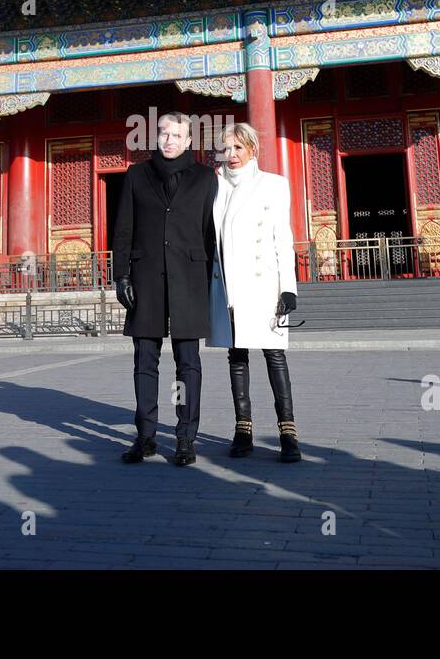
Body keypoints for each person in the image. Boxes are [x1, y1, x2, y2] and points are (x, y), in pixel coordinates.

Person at [112, 112, 218, 466]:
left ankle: (185, 437)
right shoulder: (136, 175)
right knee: (145, 361)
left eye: (177, 135)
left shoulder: (205, 178)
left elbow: (209, 233)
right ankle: (145, 436)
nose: (170, 140)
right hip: (146, 278)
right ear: (156, 137)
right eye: (164, 134)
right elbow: (124, 229)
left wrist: (213, 282)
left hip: (189, 279)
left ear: (189, 141)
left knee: (188, 364)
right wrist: (121, 276)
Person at [208, 122, 302, 462]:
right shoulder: (214, 186)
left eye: (238, 148)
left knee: (274, 354)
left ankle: (288, 431)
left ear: (253, 150)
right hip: (229, 285)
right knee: (237, 356)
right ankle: (242, 428)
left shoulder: (273, 185)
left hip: (264, 283)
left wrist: (288, 287)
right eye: (227, 149)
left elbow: (282, 237)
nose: (232, 155)